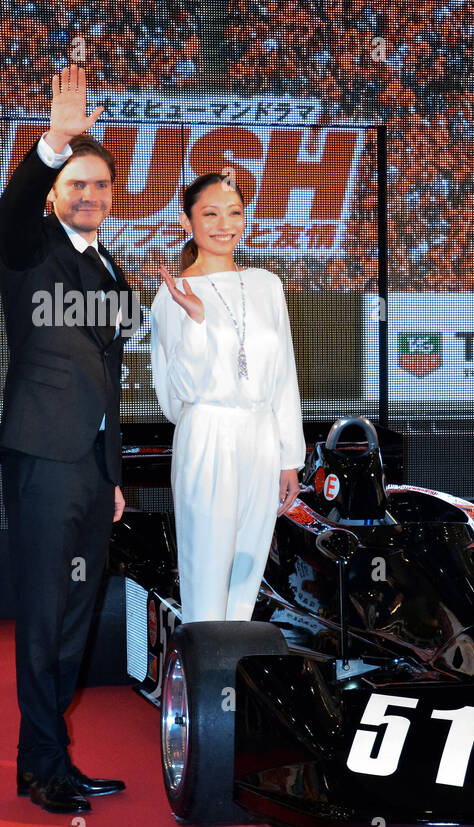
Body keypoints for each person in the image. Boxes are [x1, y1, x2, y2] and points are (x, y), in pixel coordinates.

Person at [0, 67, 129, 815]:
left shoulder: (111, 268)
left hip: (89, 467)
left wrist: (112, 473)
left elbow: (107, 377)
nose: (89, 195)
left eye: (100, 185)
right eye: (76, 184)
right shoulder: (31, 245)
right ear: (54, 193)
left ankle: (43, 761)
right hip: (42, 456)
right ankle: (47, 769)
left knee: (75, 615)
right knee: (45, 615)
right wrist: (53, 141)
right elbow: (12, 208)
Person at [152, 173, 306, 623]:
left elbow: (284, 376)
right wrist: (196, 322)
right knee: (206, 569)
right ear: (187, 222)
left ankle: (234, 662)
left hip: (261, 437)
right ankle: (206, 661)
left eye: (234, 212)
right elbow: (177, 395)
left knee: (246, 571)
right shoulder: (174, 293)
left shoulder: (267, 284)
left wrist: (289, 457)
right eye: (210, 214)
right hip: (207, 434)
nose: (224, 224)